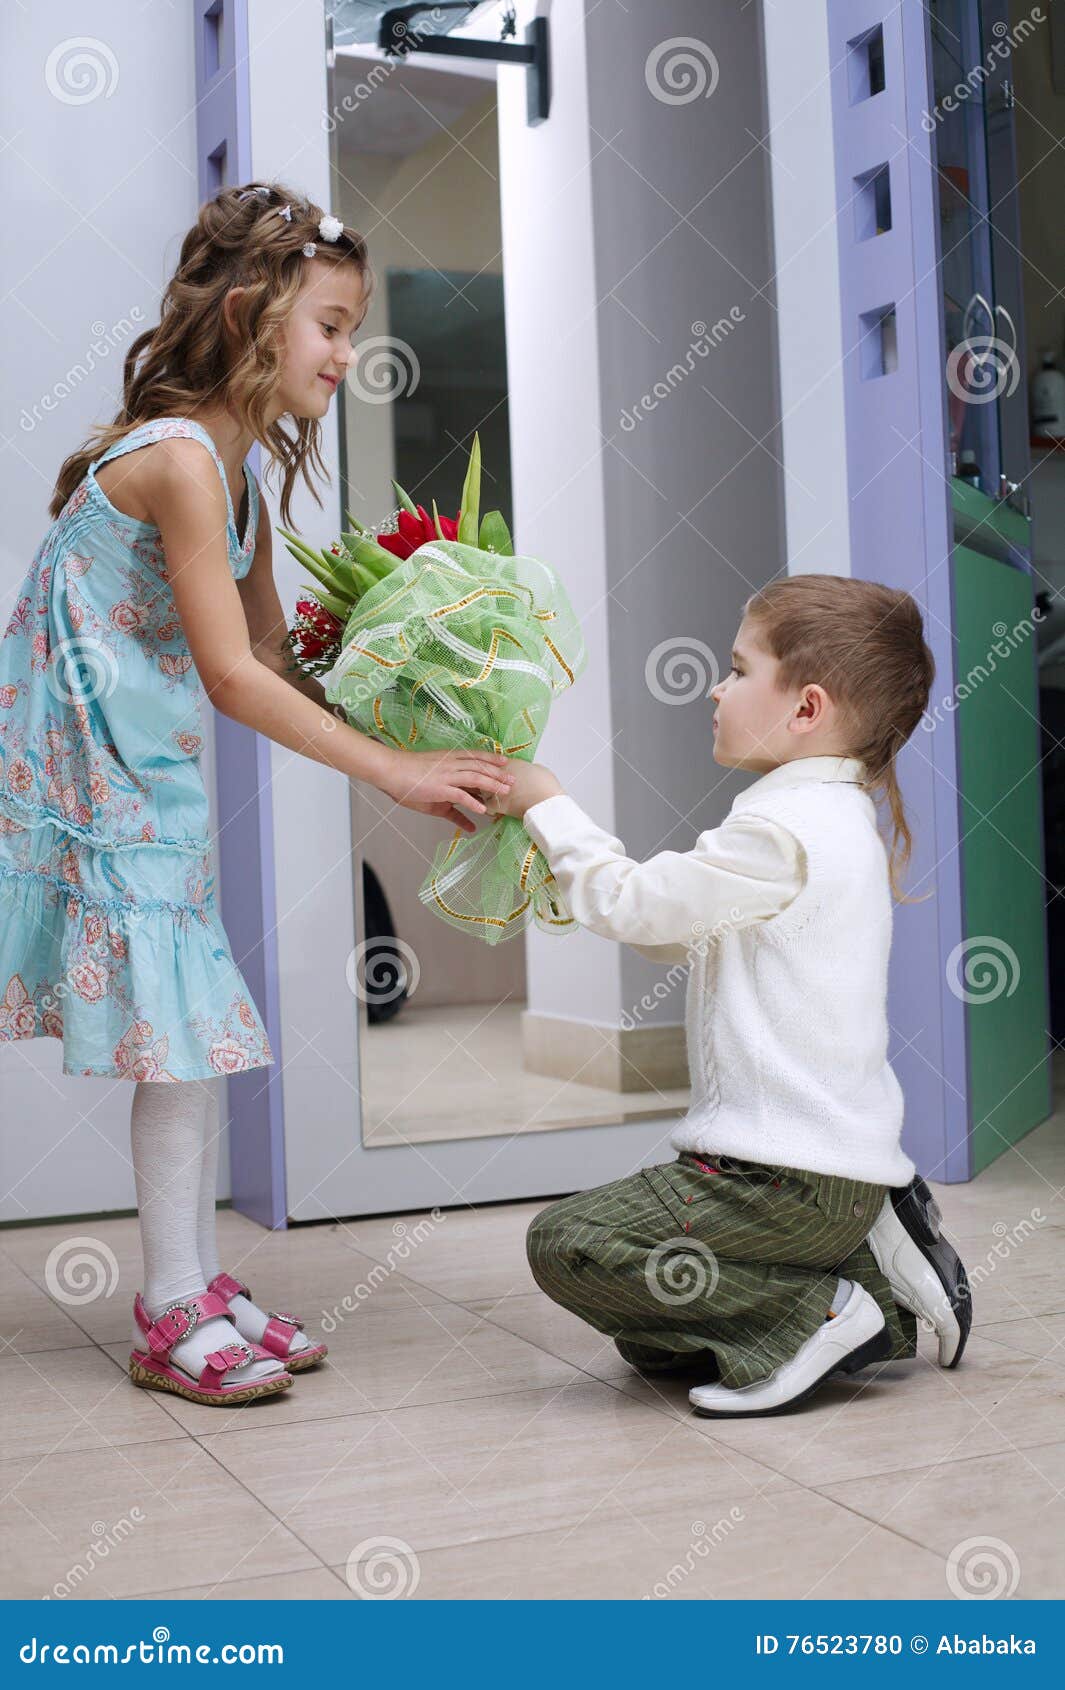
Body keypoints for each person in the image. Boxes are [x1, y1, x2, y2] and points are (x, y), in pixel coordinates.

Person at [0, 181, 514, 1406]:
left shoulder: (235, 481)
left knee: (186, 1037)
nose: (348, 354)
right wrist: (391, 771)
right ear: (247, 317)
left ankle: (184, 1285)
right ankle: (171, 1306)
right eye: (330, 326)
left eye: (352, 330)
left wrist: (420, 716)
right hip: (80, 775)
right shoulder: (180, 460)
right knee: (182, 1037)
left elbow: (279, 659)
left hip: (142, 777)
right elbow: (230, 677)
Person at [496, 575, 970, 1417]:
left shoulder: (783, 830)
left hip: (779, 1182)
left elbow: (635, 906)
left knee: (571, 1244)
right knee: (650, 1338)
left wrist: (549, 807)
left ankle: (814, 1314)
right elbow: (666, 931)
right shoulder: (826, 817)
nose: (715, 689)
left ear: (806, 708)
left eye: (738, 669)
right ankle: (871, 1278)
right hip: (814, 1174)